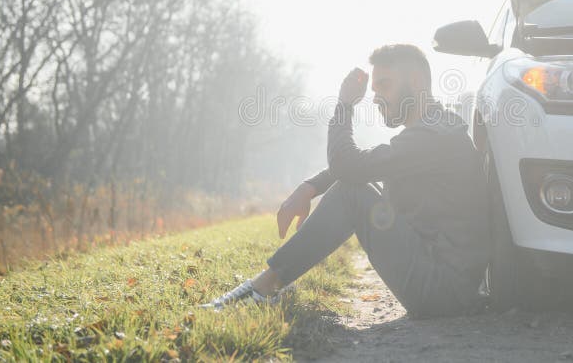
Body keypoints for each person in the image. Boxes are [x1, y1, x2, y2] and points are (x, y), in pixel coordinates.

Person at [201, 44, 490, 318]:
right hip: (445, 285)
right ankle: (266, 286)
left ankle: (263, 289)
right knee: (355, 187)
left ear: (415, 81)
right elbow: (367, 164)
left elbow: (348, 165)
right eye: (374, 88)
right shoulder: (435, 130)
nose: (375, 97)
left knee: (352, 194)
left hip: (443, 290)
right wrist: (311, 186)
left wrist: (344, 105)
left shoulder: (434, 136)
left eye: (384, 85)